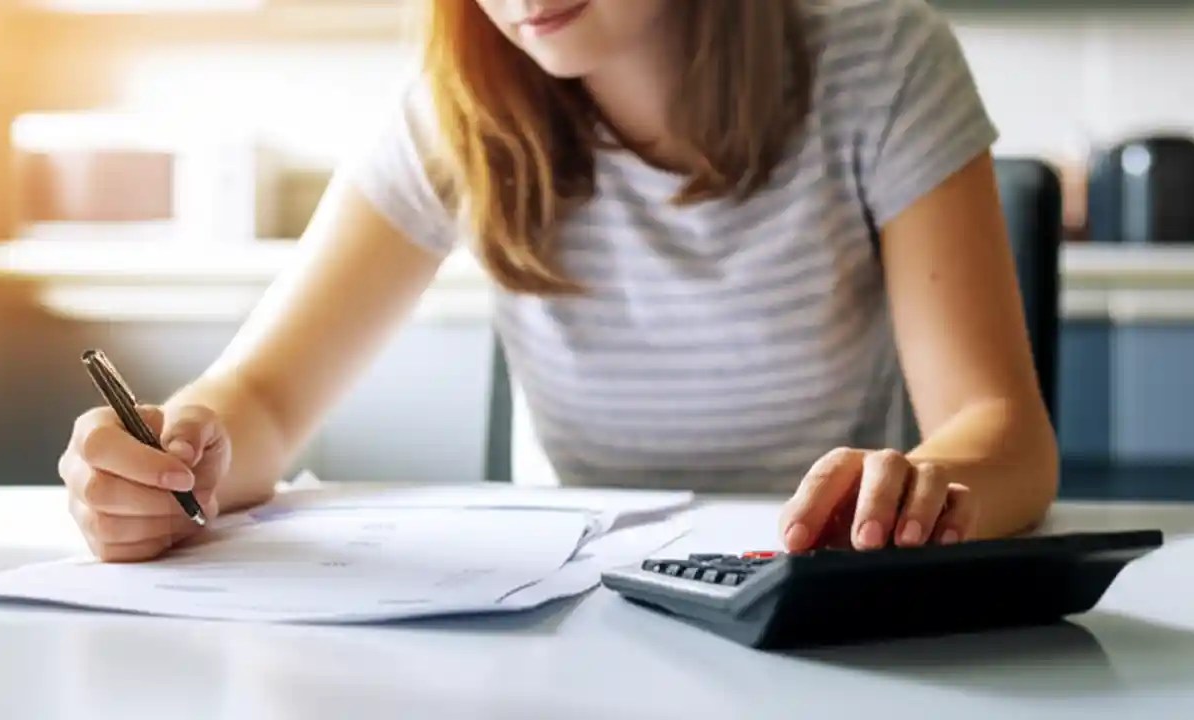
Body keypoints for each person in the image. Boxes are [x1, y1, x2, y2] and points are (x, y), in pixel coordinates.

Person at [57, 0, 1059, 563]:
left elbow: (996, 427)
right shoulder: (456, 114)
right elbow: (264, 400)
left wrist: (924, 495)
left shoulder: (885, 63)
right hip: (586, 616)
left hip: (820, 611)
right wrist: (170, 459)